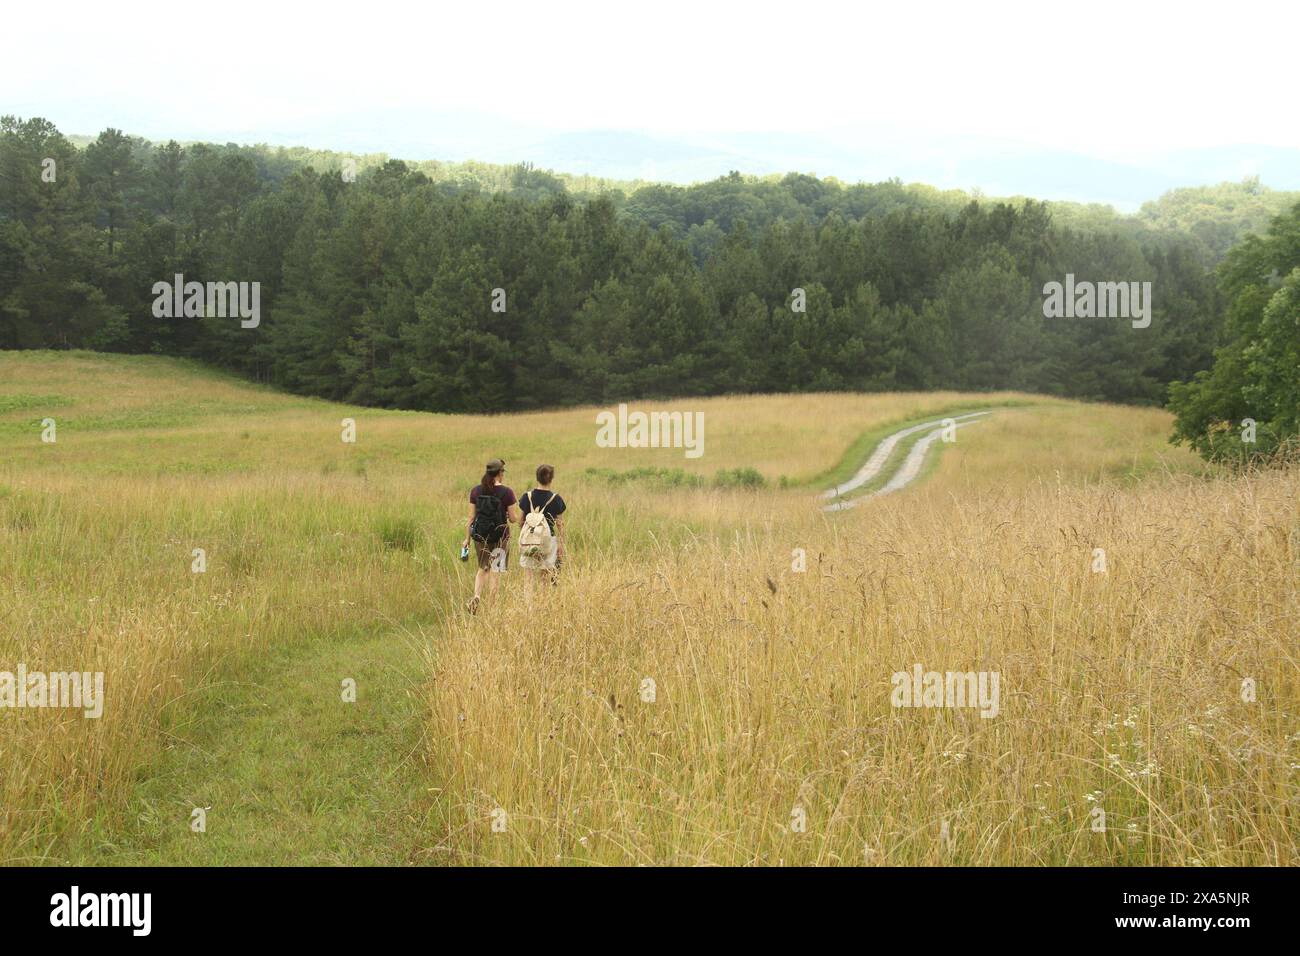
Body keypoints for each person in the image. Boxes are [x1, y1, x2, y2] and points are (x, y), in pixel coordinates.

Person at [464, 458, 520, 614]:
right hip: (501, 537)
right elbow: (513, 518)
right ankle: (493, 607)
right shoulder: (507, 492)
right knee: (495, 571)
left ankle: (476, 596)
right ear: (500, 473)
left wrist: (466, 539)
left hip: (481, 537)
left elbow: (470, 519)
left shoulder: (476, 491)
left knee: (483, 568)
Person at [517, 464, 566, 586]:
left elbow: (520, 521)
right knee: (545, 575)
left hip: (529, 540)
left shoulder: (527, 497)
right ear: (551, 479)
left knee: (528, 576)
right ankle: (542, 602)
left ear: (537, 478)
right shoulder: (556, 499)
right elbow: (560, 524)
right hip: (548, 540)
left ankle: (529, 605)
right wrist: (561, 544)